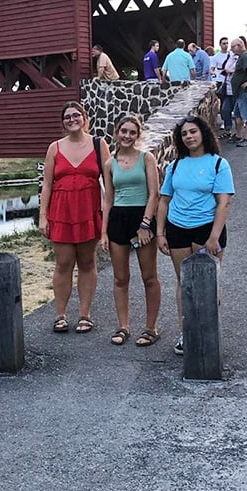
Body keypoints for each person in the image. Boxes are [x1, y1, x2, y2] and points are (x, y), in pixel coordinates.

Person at [156, 116, 235, 356]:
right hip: (178, 228)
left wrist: (214, 237)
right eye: (184, 134)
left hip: (206, 228)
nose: (189, 137)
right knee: (184, 282)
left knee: (207, 284)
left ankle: (209, 331)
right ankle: (186, 333)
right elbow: (164, 200)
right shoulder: (175, 166)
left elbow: (224, 203)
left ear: (203, 134)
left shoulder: (219, 164)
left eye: (193, 132)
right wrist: (160, 233)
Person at [39, 101, 111, 333]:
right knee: (63, 263)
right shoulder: (55, 148)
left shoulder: (99, 144)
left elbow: (109, 185)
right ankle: (60, 314)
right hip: (61, 211)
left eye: (76, 115)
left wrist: (108, 220)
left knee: (88, 262)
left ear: (84, 117)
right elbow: (47, 184)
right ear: (63, 122)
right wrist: (43, 216)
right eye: (67, 117)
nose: (72, 119)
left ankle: (85, 314)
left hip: (89, 210)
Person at [101, 115, 161, 346]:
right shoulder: (110, 163)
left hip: (141, 220)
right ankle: (123, 326)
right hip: (118, 219)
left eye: (132, 132)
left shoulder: (147, 158)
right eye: (123, 131)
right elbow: (108, 199)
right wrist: (104, 232)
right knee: (120, 278)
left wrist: (145, 224)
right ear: (116, 133)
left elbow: (154, 194)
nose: (127, 136)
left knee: (149, 277)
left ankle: (150, 328)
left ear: (137, 135)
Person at [230, 37, 247, 146]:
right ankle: (238, 135)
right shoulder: (243, 56)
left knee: (246, 114)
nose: (231, 49)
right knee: (237, 114)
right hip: (240, 91)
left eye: (233, 47)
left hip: (245, 91)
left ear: (239, 46)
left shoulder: (245, 56)